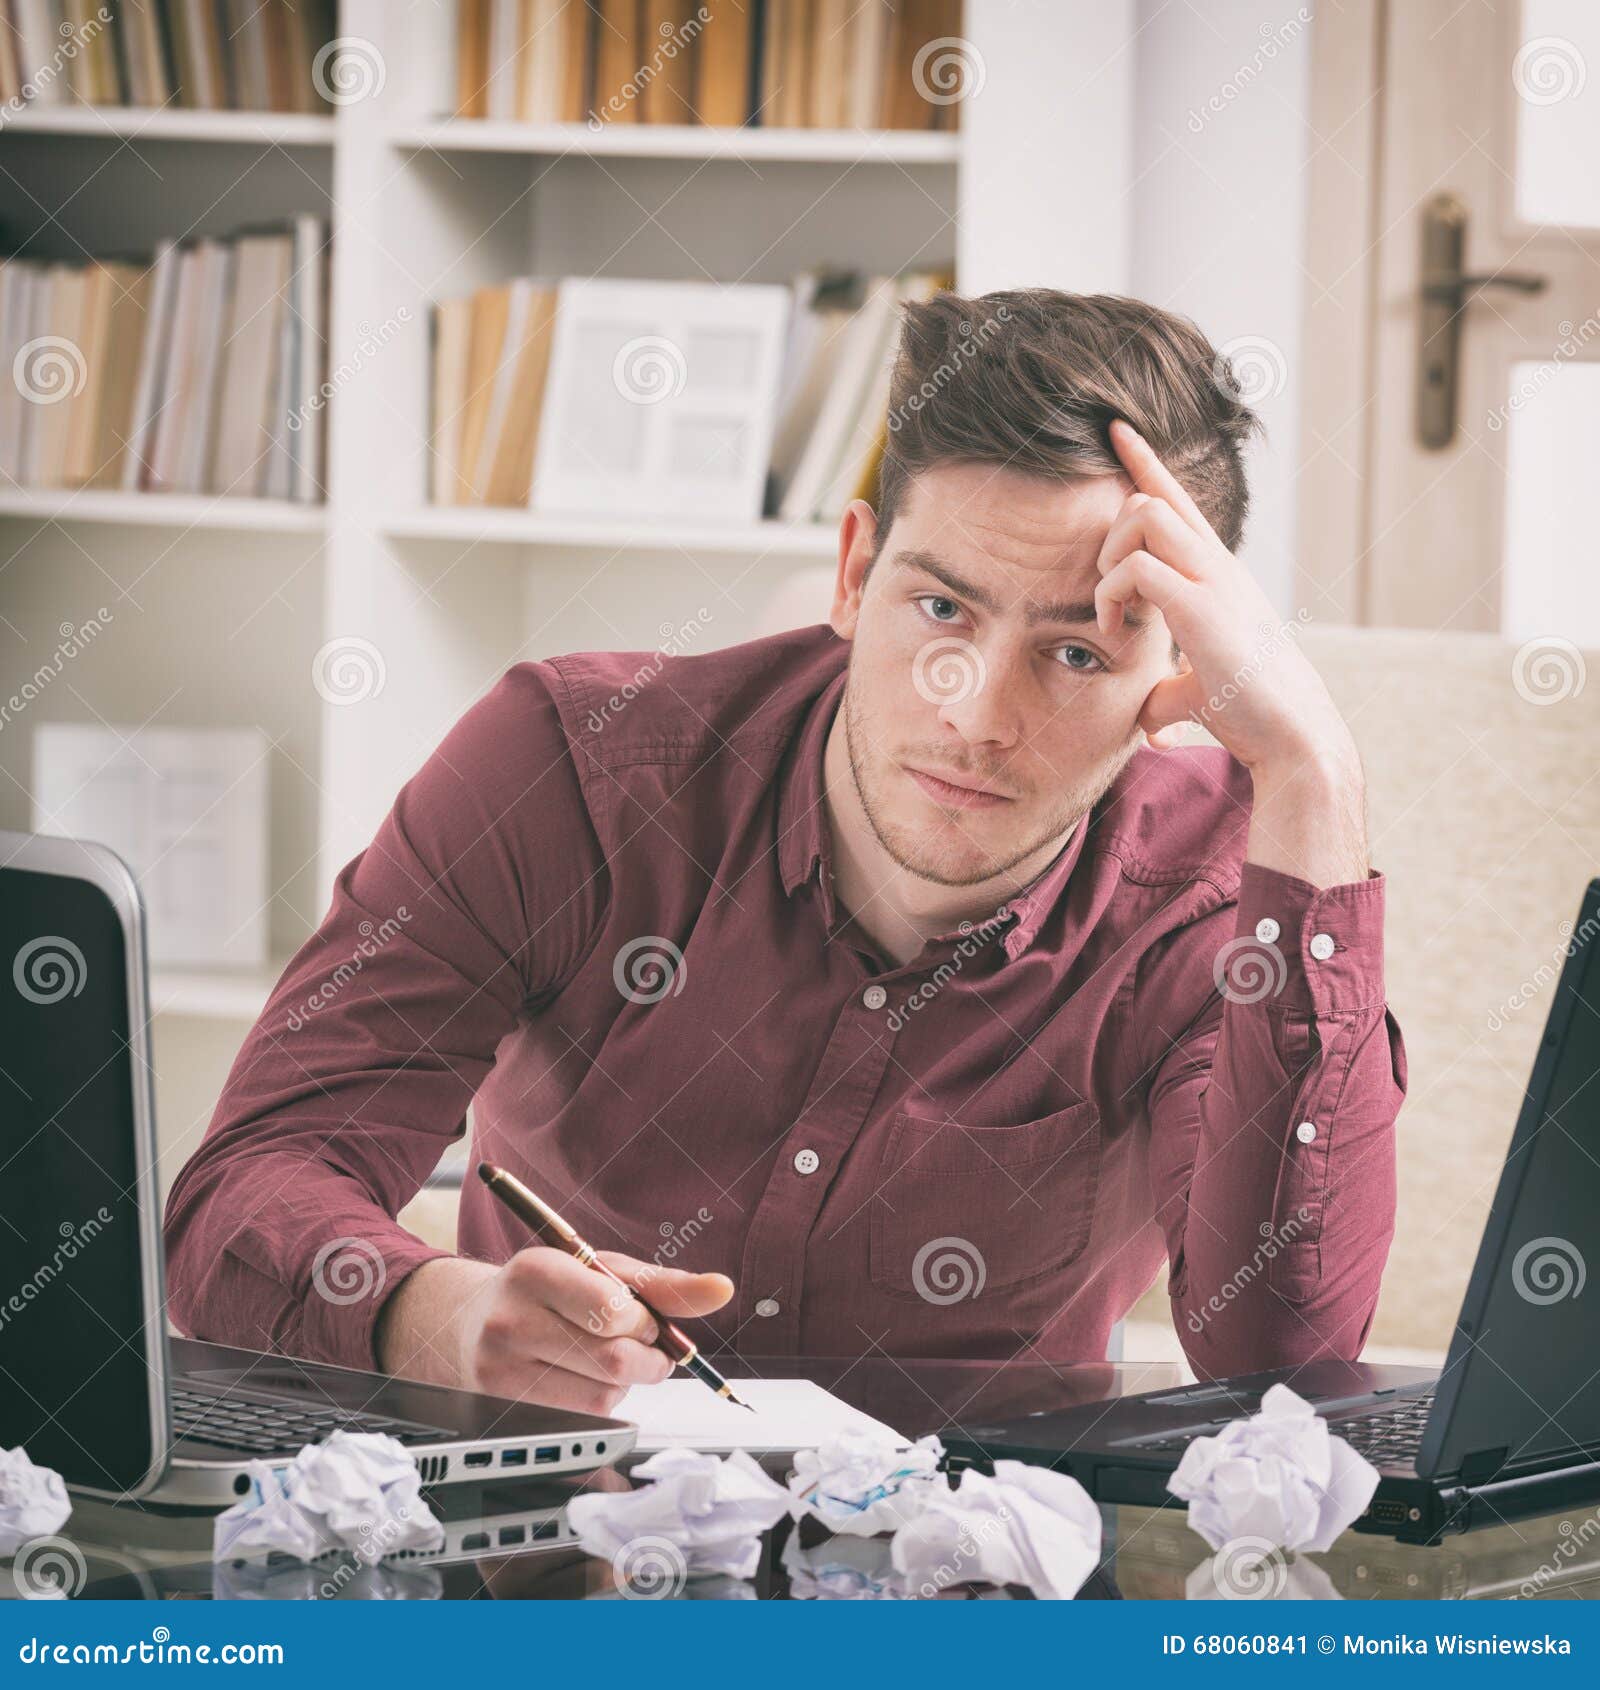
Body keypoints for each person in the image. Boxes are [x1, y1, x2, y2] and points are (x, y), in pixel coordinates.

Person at [165, 289, 1402, 1416]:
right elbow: (246, 1187)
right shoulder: (567, 771)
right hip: (545, 1550)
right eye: (941, 608)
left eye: (1076, 652)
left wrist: (1313, 771)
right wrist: (430, 1317)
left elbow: (1281, 1367)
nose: (975, 711)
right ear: (856, 570)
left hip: (972, 1579)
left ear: (1177, 673)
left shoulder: (1217, 901)